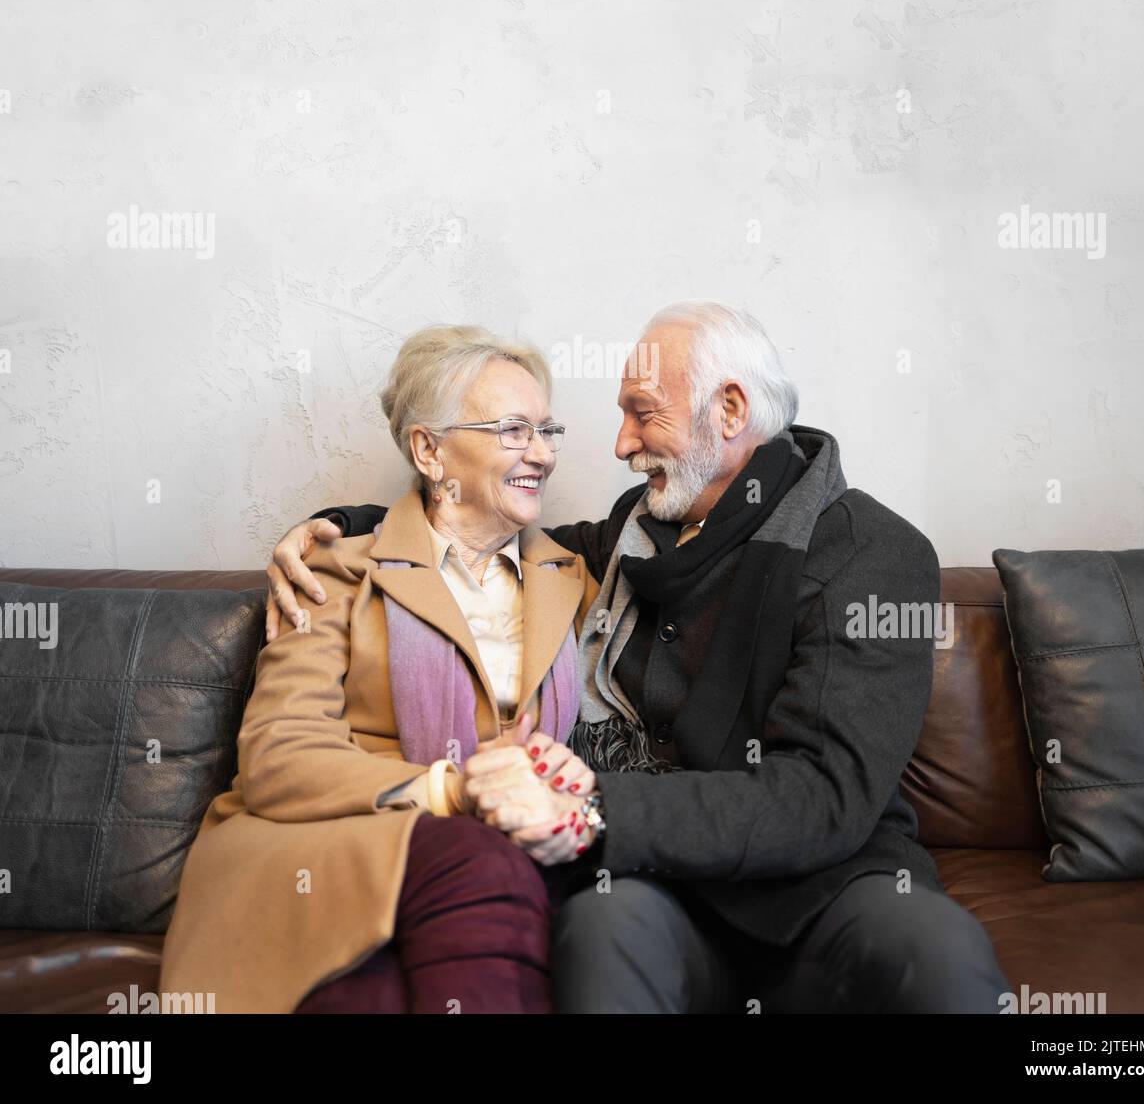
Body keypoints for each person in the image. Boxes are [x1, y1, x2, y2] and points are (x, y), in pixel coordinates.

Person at [271, 302, 1012, 1014]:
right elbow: (480, 525)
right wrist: (340, 530)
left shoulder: (869, 552)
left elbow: (823, 796)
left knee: (938, 954)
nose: (620, 445)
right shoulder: (634, 535)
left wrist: (590, 806)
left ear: (728, 411)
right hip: (659, 886)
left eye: (642, 412)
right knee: (603, 928)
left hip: (827, 890)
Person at [159, 325, 602, 1013]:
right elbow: (281, 755)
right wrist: (450, 790)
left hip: (506, 853)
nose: (541, 454)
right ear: (429, 449)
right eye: (514, 430)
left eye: (548, 430)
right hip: (334, 845)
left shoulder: (578, 581)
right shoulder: (335, 574)